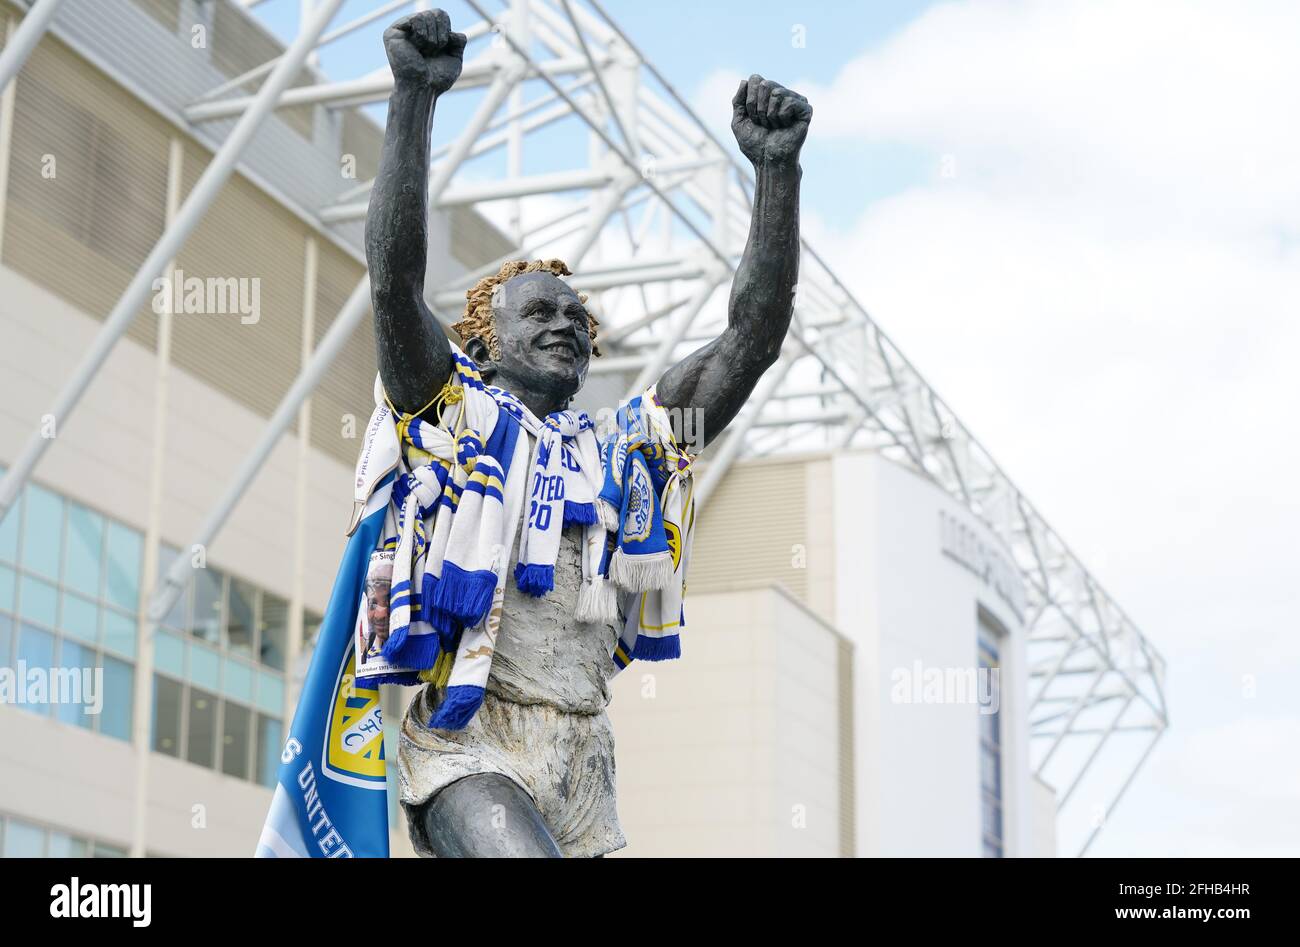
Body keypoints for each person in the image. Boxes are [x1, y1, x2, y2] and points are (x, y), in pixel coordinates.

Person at [365, 8, 811, 857]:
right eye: (540, 311)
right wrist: (414, 100)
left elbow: (751, 339)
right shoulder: (451, 414)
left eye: (579, 315)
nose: (568, 323)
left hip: (584, 758)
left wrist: (776, 177)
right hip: (471, 743)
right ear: (485, 340)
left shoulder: (627, 447)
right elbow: (394, 282)